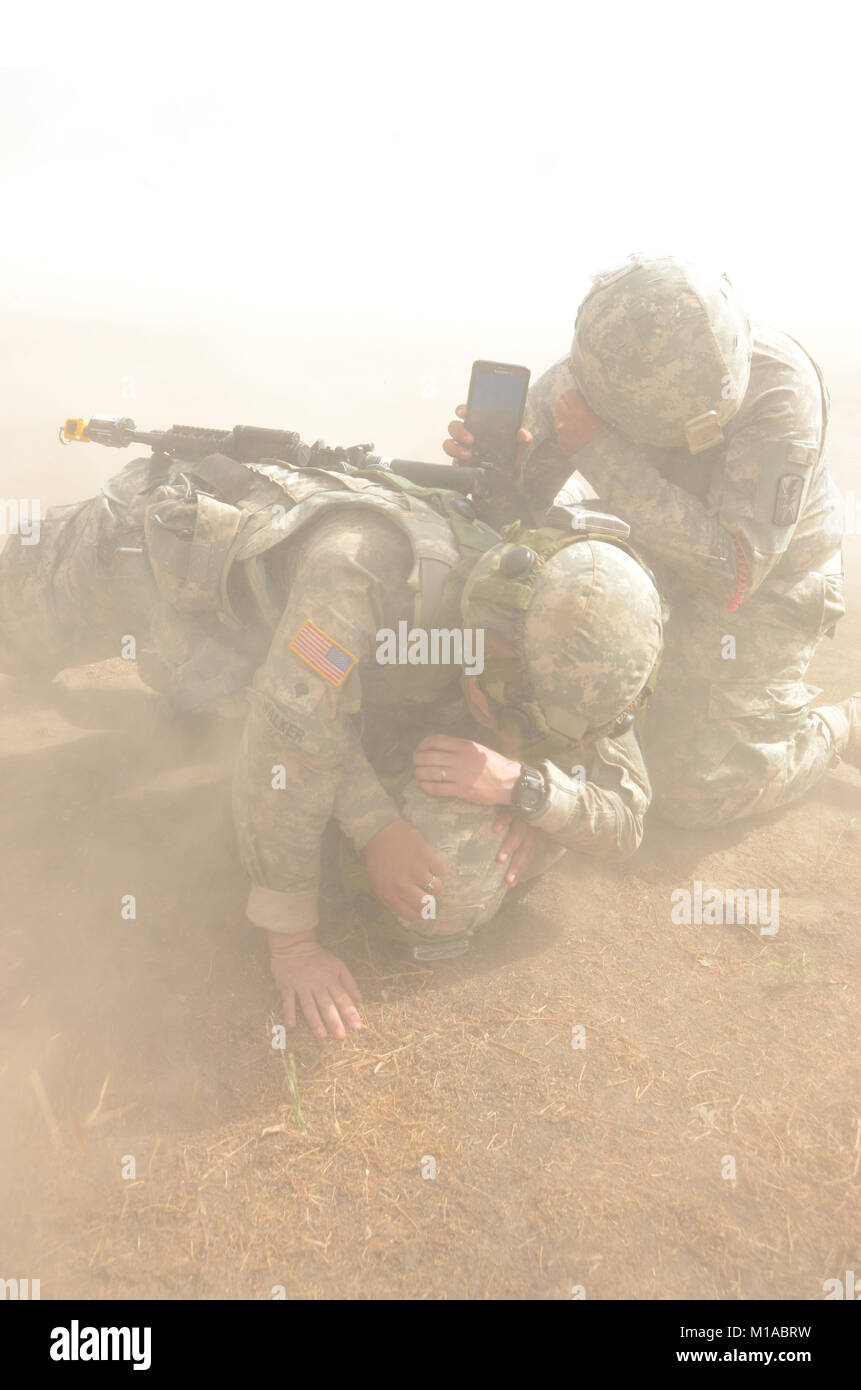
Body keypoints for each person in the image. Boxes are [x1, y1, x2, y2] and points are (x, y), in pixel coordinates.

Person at [0, 444, 662, 1038]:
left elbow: (626, 808)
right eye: (522, 715)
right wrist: (298, 938)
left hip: (265, 641)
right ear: (494, 641)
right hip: (143, 553)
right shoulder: (357, 570)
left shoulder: (581, 623)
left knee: (236, 697)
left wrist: (531, 794)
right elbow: (293, 732)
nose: (531, 735)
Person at [445, 254, 861, 827]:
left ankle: (839, 728)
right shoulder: (613, 362)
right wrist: (498, 470)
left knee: (695, 790)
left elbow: (734, 572)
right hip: (646, 541)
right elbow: (515, 509)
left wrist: (597, 450)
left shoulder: (781, 397)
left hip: (768, 586)